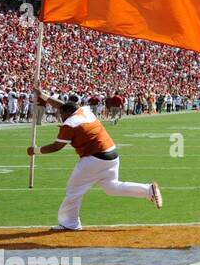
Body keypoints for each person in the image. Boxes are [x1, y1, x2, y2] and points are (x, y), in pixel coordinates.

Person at [26, 91, 162, 231]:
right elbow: (63, 106)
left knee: (74, 190)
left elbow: (56, 147)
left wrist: (35, 150)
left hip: (95, 158)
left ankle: (69, 223)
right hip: (112, 155)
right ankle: (148, 190)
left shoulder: (70, 124)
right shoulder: (84, 110)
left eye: (62, 114)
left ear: (67, 113)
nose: (60, 116)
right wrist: (42, 95)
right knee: (111, 187)